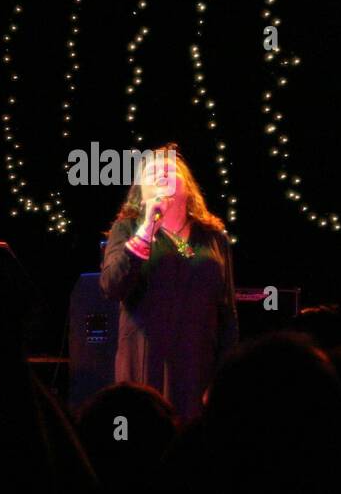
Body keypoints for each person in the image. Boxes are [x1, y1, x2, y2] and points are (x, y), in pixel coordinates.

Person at [99, 144, 238, 421]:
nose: (161, 172)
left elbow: (228, 314)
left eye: (170, 169)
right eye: (152, 171)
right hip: (145, 364)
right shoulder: (126, 229)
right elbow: (112, 287)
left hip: (198, 366)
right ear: (141, 192)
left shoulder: (214, 237)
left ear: (188, 186)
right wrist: (147, 228)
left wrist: (224, 379)